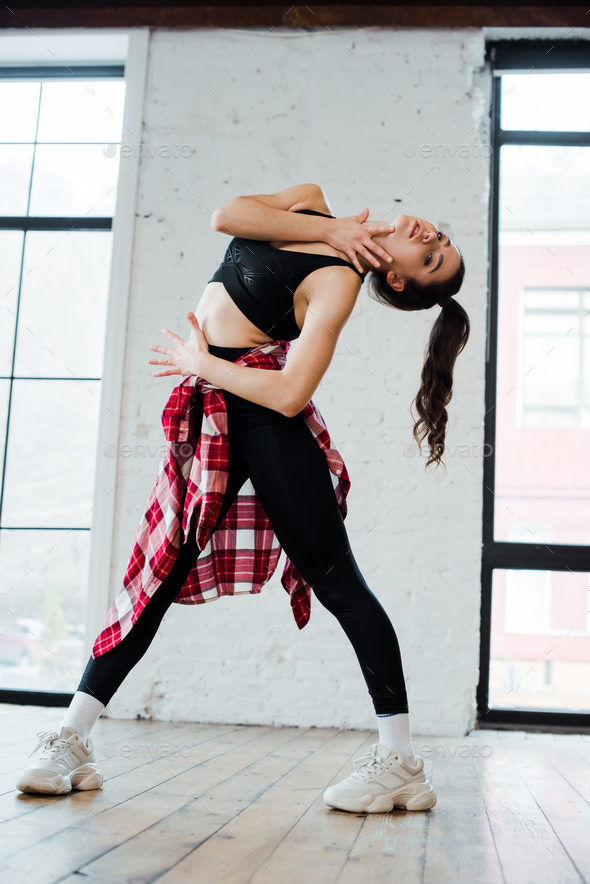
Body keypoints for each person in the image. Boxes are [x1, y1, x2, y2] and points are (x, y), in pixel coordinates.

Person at [16, 183, 469, 812]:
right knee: (157, 576)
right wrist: (330, 229)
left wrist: (197, 362)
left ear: (394, 280)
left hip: (264, 422)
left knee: (339, 584)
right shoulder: (310, 203)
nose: (430, 237)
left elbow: (288, 393)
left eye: (430, 259)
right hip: (213, 412)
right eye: (440, 239)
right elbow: (224, 213)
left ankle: (400, 763)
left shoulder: (336, 285)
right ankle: (72, 739)